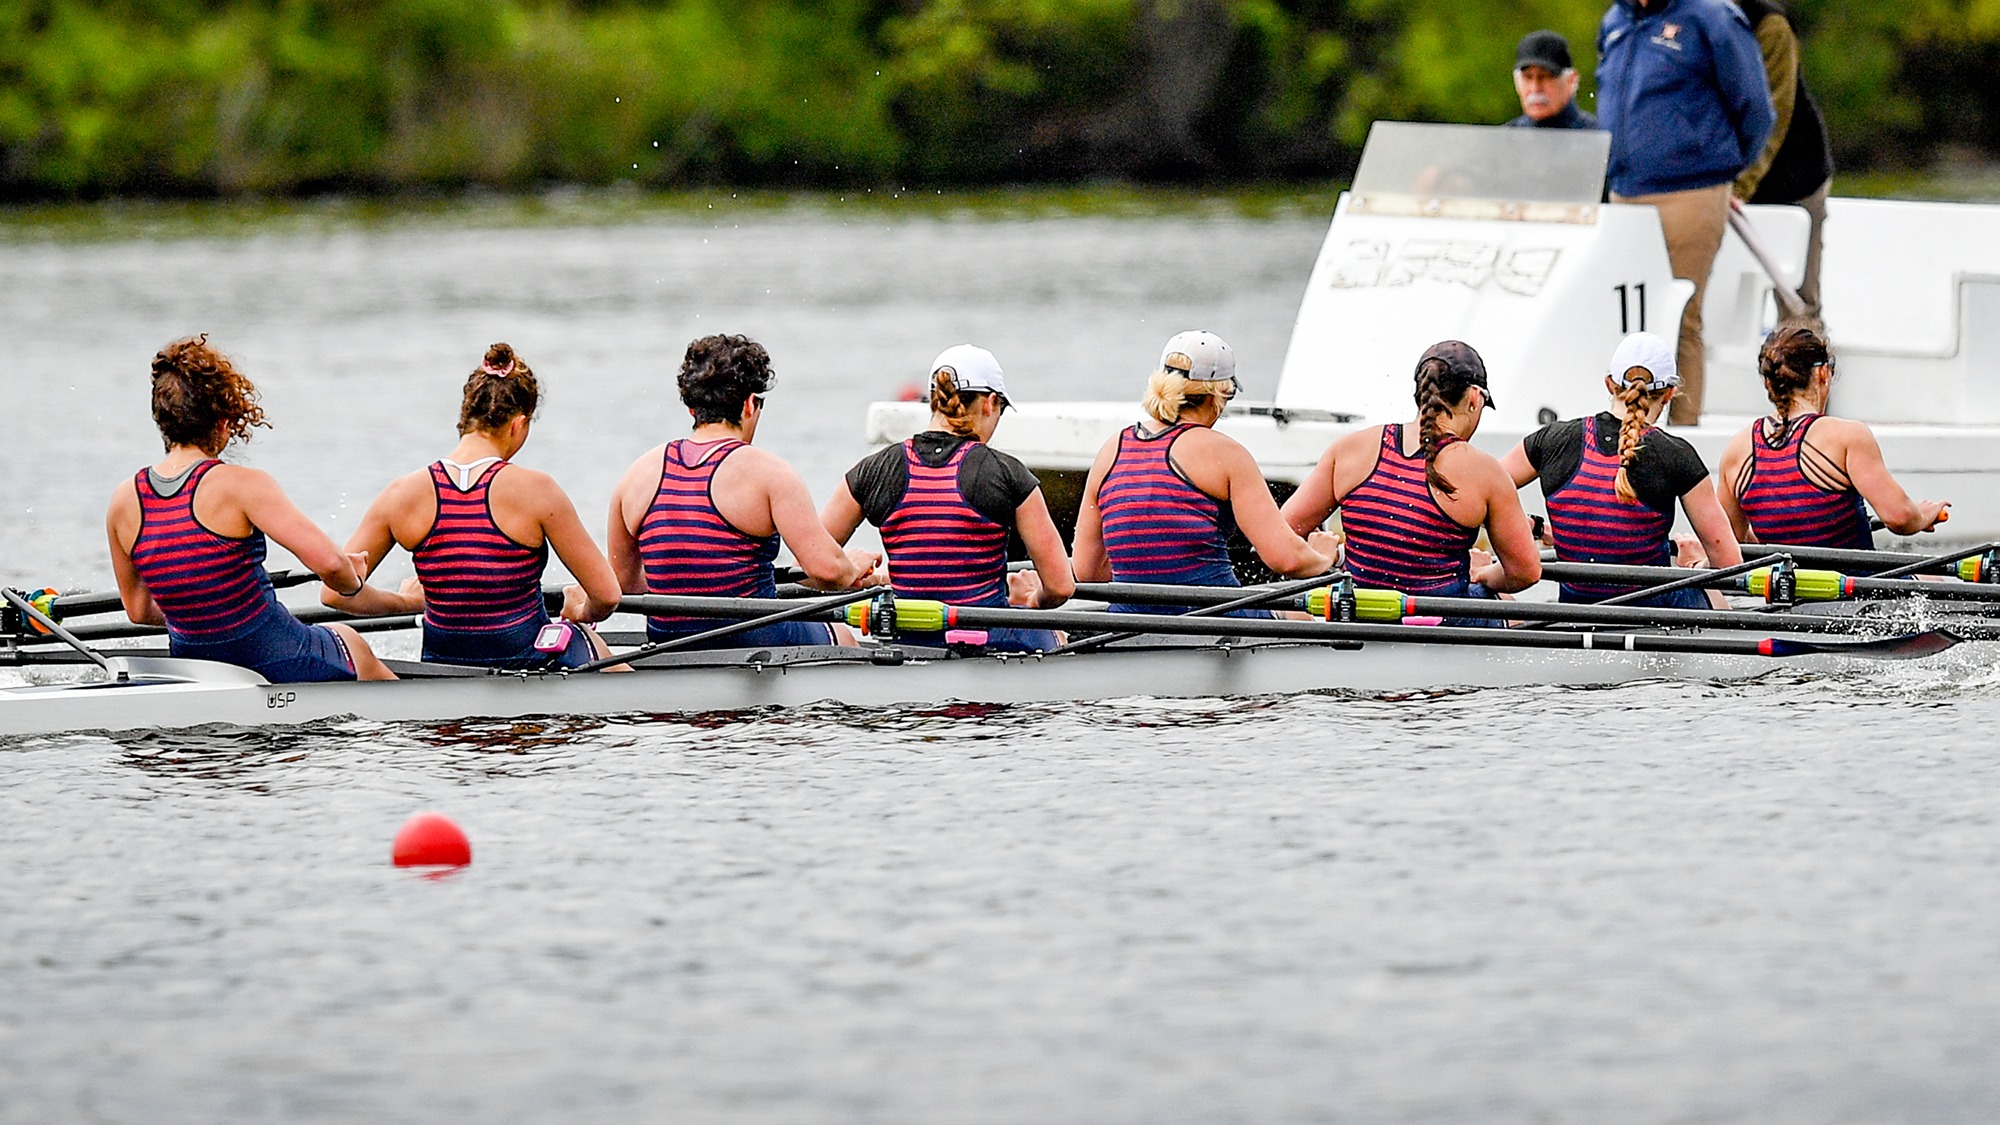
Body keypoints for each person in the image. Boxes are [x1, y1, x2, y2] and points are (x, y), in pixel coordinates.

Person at [107, 335, 394, 682]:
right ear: (224, 421)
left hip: (194, 667)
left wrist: (199, 608)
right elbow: (332, 564)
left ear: (163, 421)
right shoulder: (243, 485)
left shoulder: (123, 502)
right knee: (351, 640)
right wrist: (353, 580)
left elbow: (138, 610)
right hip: (273, 657)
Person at [329, 343, 622, 669]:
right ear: (518, 424)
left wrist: (406, 602)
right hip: (529, 663)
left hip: (445, 667)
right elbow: (607, 595)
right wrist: (580, 610)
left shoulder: (400, 494)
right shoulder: (538, 491)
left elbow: (335, 594)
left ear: (466, 418)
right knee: (586, 637)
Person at [608, 335, 880, 651]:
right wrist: (854, 568)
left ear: (693, 407)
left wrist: (691, 586)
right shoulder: (770, 473)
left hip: (670, 644)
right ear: (750, 403)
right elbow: (827, 571)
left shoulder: (634, 477)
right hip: (756, 641)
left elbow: (623, 585)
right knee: (841, 634)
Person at [822, 344, 1074, 651]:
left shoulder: (874, 470)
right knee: (1058, 635)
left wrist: (850, 571)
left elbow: (811, 568)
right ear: (989, 402)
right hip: (990, 644)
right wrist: (1032, 600)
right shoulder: (1007, 474)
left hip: (907, 644)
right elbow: (1061, 587)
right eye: (1001, 409)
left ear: (936, 400)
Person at [1071, 331, 1335, 615]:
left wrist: (1146, 565)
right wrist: (1324, 557)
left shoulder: (1112, 449)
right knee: (1307, 611)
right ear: (1219, 394)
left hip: (1128, 627)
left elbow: (1087, 570)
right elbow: (1286, 560)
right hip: (1218, 623)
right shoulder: (1225, 453)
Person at [1598, 0, 1775, 424]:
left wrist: (1720, 166)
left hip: (1690, 190)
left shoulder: (1711, 17)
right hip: (1624, 191)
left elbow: (1756, 108)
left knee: (1679, 314)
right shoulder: (1615, 19)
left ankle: (1681, 435)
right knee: (1626, 315)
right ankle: (1623, 436)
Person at [1281, 341, 1542, 622]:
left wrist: (1326, 559)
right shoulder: (1487, 473)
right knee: (1506, 603)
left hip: (1358, 621)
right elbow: (1524, 572)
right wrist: (1482, 574)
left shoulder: (1349, 449)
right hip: (1441, 630)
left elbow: (1284, 533)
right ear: (1475, 398)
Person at [1500, 332, 1743, 609]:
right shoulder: (1677, 455)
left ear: (1609, 384)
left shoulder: (1552, 439)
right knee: (1718, 598)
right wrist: (1695, 563)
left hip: (1578, 611)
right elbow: (1729, 563)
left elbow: (1475, 490)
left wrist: (1531, 526)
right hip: (1653, 615)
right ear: (1670, 394)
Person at [1719, 326, 1948, 547]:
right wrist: (1921, 515)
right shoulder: (1847, 437)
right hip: (1852, 584)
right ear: (1822, 373)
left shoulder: (1738, 448)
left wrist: (1777, 538)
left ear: (1768, 381)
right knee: (1934, 579)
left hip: (1782, 584)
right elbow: (1899, 517)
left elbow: (1727, 541)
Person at [1732, 0, 1833, 326]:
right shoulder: (1691, 22)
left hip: (1798, 175)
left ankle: (1808, 365)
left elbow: (1773, 115)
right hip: (1738, 174)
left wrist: (1739, 188)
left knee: (1798, 304)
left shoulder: (1769, 25)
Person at [1508, 31, 1599, 130]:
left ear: (1571, 80)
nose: (1535, 88)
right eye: (1528, 77)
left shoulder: (1599, 138)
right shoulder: (1504, 139)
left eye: (1545, 77)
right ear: (1516, 81)